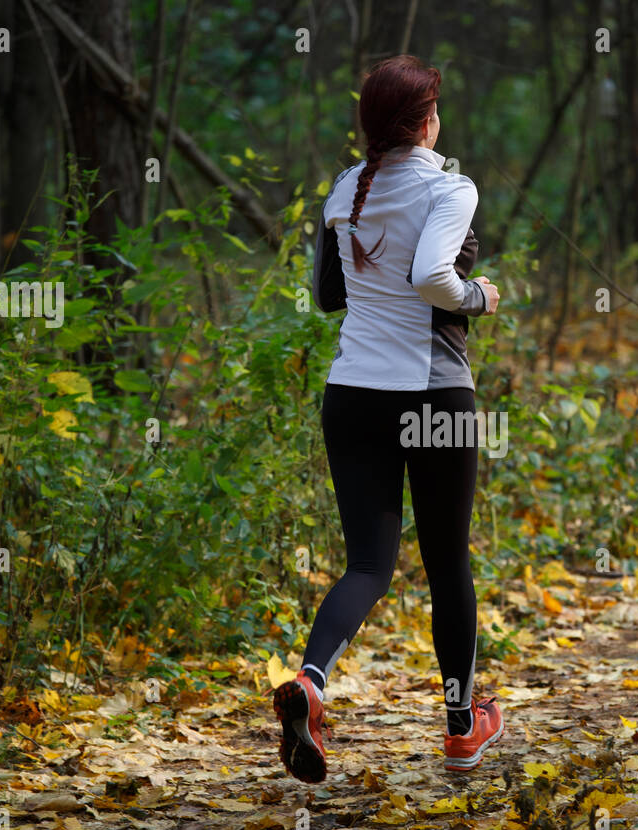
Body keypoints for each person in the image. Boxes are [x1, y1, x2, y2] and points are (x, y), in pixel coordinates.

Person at [272, 54, 504, 783]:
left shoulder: (347, 188)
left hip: (352, 395)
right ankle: (463, 727)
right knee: (447, 563)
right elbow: (433, 279)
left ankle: (310, 682)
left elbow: (328, 297)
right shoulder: (451, 188)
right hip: (434, 398)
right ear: (426, 122)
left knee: (370, 564)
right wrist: (479, 296)